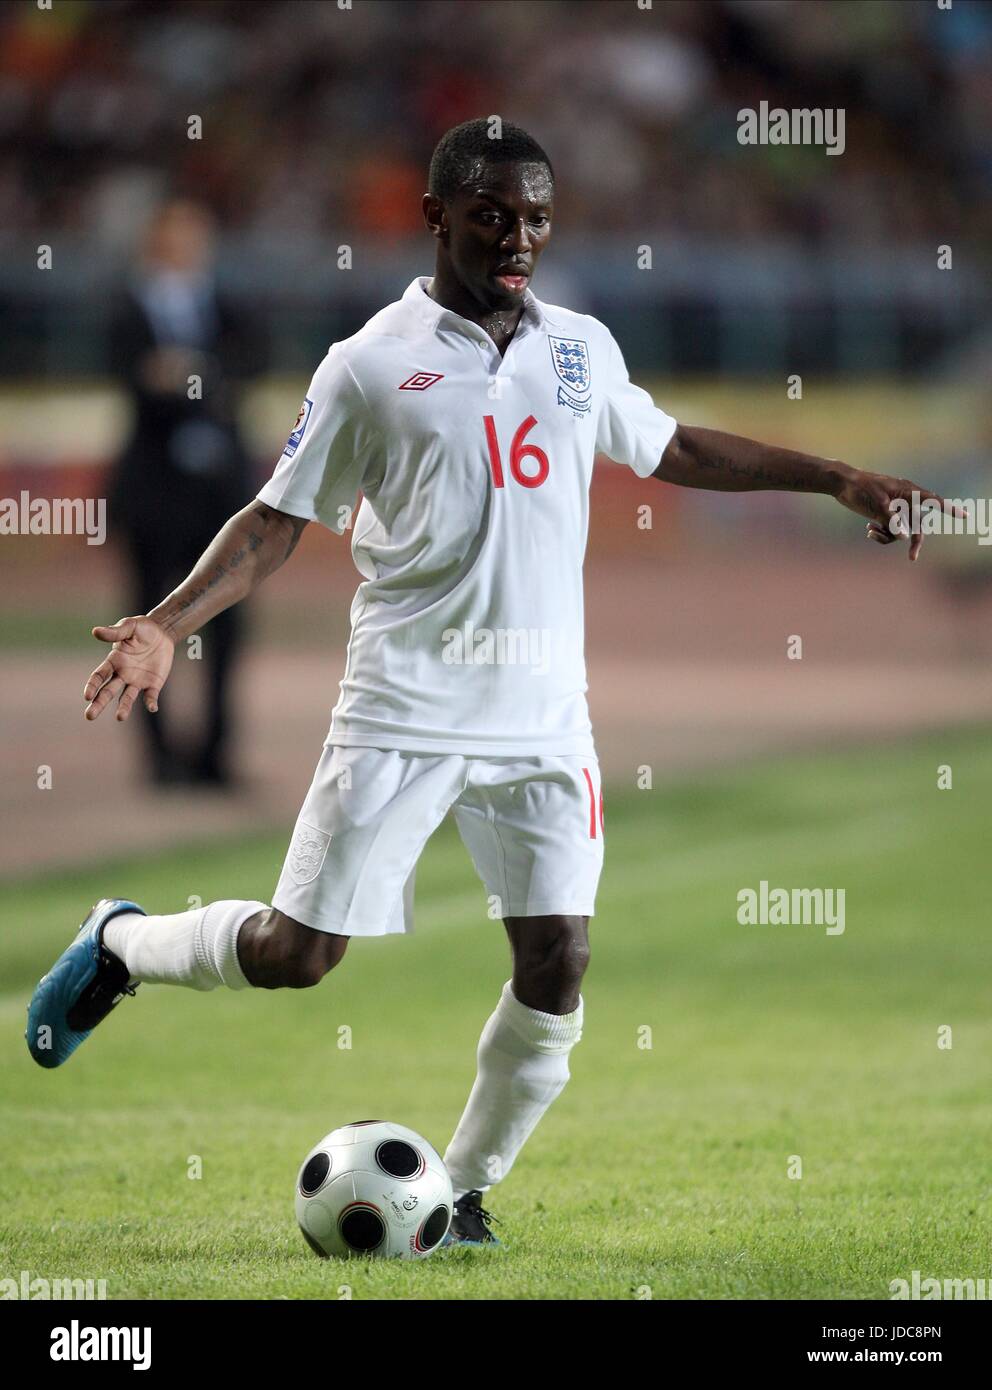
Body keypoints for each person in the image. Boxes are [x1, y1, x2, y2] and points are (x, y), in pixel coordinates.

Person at [27, 120, 956, 1247]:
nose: (518, 239)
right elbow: (276, 522)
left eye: (535, 218)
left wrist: (836, 477)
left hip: (543, 717)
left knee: (558, 960)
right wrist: (167, 623)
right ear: (437, 217)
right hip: (405, 703)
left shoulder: (580, 348)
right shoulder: (369, 362)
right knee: (296, 956)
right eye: (492, 216)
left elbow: (671, 449)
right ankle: (124, 940)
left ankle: (458, 1193)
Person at [107, 199, 260, 786]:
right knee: (147, 618)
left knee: (228, 623)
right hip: (154, 493)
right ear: (154, 241)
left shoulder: (226, 304)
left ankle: (215, 753)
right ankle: (160, 758)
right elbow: (134, 384)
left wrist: (183, 374)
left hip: (221, 492)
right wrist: (204, 381)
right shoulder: (127, 307)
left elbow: (248, 365)